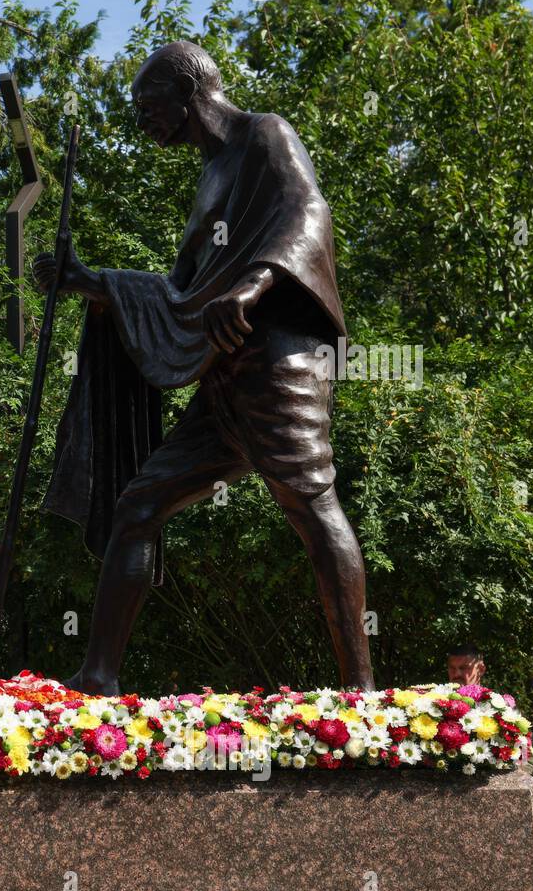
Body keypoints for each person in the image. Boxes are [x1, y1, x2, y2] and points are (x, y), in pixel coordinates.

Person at [34, 41, 374, 695]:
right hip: (220, 381)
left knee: (310, 504)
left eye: (147, 106)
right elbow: (180, 290)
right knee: (138, 505)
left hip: (277, 359)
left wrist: (249, 288)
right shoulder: (209, 179)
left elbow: (308, 217)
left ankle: (359, 690)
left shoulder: (263, 135)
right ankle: (99, 676)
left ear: (187, 91)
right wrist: (88, 281)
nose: (142, 122)